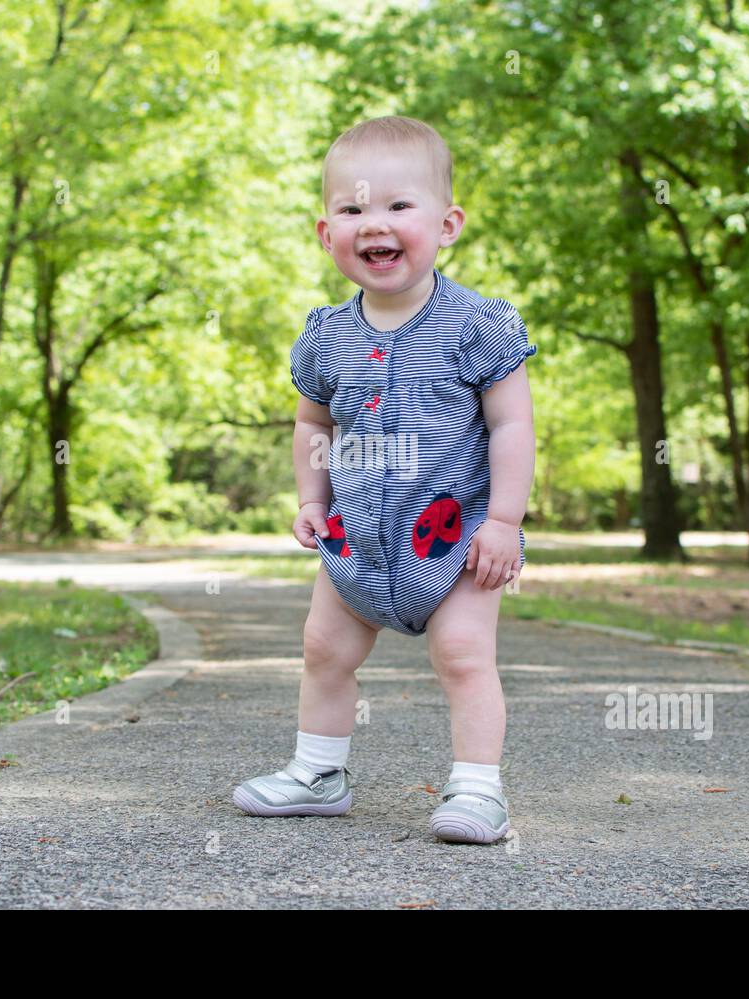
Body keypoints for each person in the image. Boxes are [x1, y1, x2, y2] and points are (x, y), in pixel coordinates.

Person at [232, 115, 537, 844]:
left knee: (463, 653)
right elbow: (313, 423)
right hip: (357, 534)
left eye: (400, 206)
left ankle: (476, 787)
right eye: (353, 208)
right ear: (325, 231)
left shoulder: (478, 326)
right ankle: (318, 771)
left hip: (454, 536)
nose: (376, 223)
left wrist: (503, 520)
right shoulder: (325, 335)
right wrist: (312, 497)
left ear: (448, 222)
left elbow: (512, 426)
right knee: (323, 648)